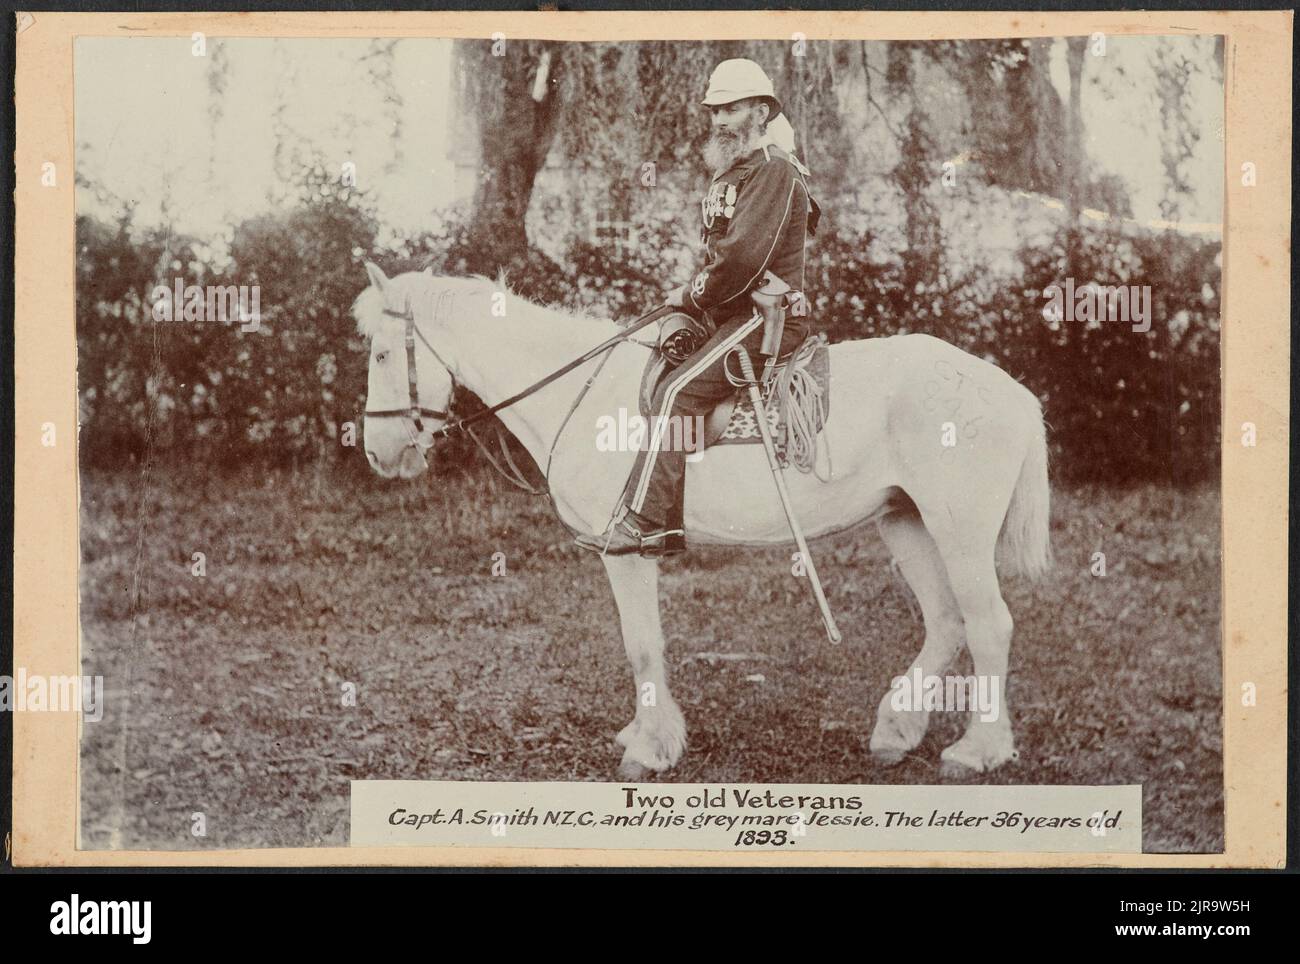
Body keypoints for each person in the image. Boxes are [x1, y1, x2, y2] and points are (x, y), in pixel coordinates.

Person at [577, 58, 821, 556]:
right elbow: (720, 255)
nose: (720, 120)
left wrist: (689, 295)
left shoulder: (774, 170)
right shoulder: (734, 173)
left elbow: (744, 260)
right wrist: (691, 302)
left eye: (731, 109)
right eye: (714, 111)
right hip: (729, 314)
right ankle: (668, 523)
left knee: (676, 394)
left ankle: (643, 522)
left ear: (760, 110)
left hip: (766, 318)